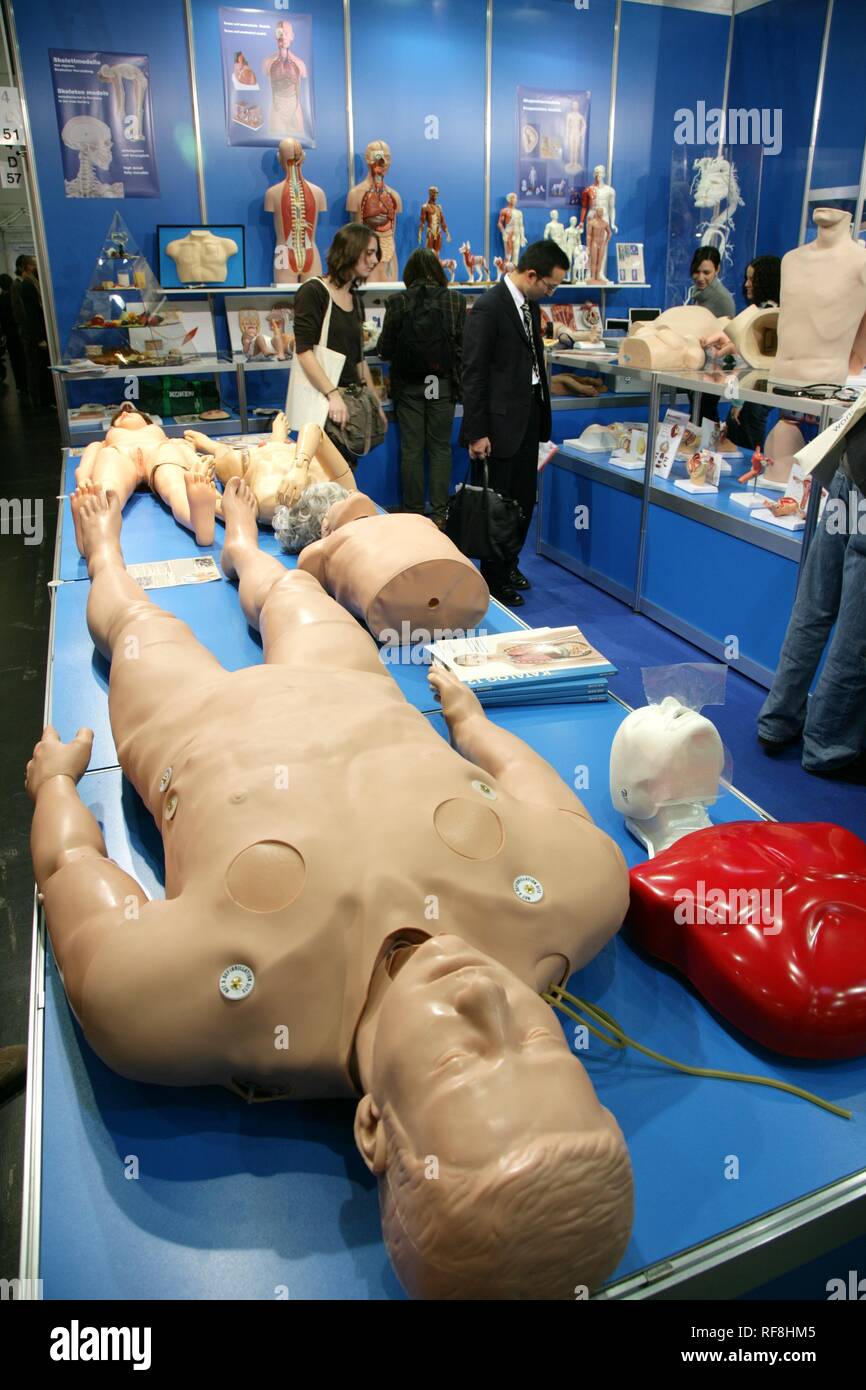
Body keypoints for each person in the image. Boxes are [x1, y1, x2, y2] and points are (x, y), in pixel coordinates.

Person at [30, 483, 633, 1299]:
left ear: (374, 1127)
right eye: (542, 1046)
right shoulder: (573, 894)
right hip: (353, 687)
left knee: (137, 624)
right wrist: (473, 728)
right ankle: (243, 541)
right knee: (290, 588)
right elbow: (541, 793)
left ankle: (103, 545)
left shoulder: (195, 1002)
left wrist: (58, 791)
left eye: (461, 1058)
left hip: (196, 723)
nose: (491, 1003)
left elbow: (74, 878)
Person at [460, 239, 569, 605]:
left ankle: (509, 564)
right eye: (549, 285)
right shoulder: (490, 307)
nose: (550, 293)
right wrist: (477, 432)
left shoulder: (530, 306)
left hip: (528, 418)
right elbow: (472, 373)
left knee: (524, 500)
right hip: (497, 426)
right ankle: (494, 577)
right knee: (498, 504)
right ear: (532, 274)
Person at [757, 418, 866, 783]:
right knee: (857, 631)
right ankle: (828, 746)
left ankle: (778, 719)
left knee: (815, 607)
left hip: (851, 470)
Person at [378, 248, 466, 527]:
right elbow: (463, 347)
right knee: (441, 449)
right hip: (442, 384)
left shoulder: (397, 301)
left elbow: (385, 349)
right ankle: (440, 514)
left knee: (411, 450)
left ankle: (413, 514)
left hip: (409, 387)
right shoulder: (456, 300)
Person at [292, 223, 388, 466]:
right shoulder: (314, 292)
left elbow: (358, 359)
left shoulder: (355, 300)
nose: (374, 260)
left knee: (345, 477)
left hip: (350, 407)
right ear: (349, 250)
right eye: (368, 252)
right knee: (322, 478)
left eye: (376, 253)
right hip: (323, 405)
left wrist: (374, 403)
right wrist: (332, 394)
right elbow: (304, 351)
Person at [723, 254, 781, 450]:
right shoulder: (766, 312)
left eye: (752, 279)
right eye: (746, 279)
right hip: (751, 391)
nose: (747, 284)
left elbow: (755, 361)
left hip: (755, 392)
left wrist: (739, 401)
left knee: (746, 441)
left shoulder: (767, 316)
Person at [11, 255, 52, 409]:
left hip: (33, 332)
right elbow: (27, 313)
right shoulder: (25, 285)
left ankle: (41, 397)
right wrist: (38, 336)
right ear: (26, 266)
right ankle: (42, 398)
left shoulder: (29, 283)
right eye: (33, 265)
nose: (35, 267)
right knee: (37, 365)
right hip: (33, 333)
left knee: (37, 365)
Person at [688, 246, 735, 318]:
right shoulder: (697, 293)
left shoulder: (724, 300)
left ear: (717, 270)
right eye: (696, 272)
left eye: (706, 273)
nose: (700, 278)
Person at [0, 272, 27, 393]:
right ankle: (27, 384)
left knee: (15, 360)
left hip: (9, 334)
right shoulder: (16, 296)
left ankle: (20, 385)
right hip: (19, 331)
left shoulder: (1, 299)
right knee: (24, 358)